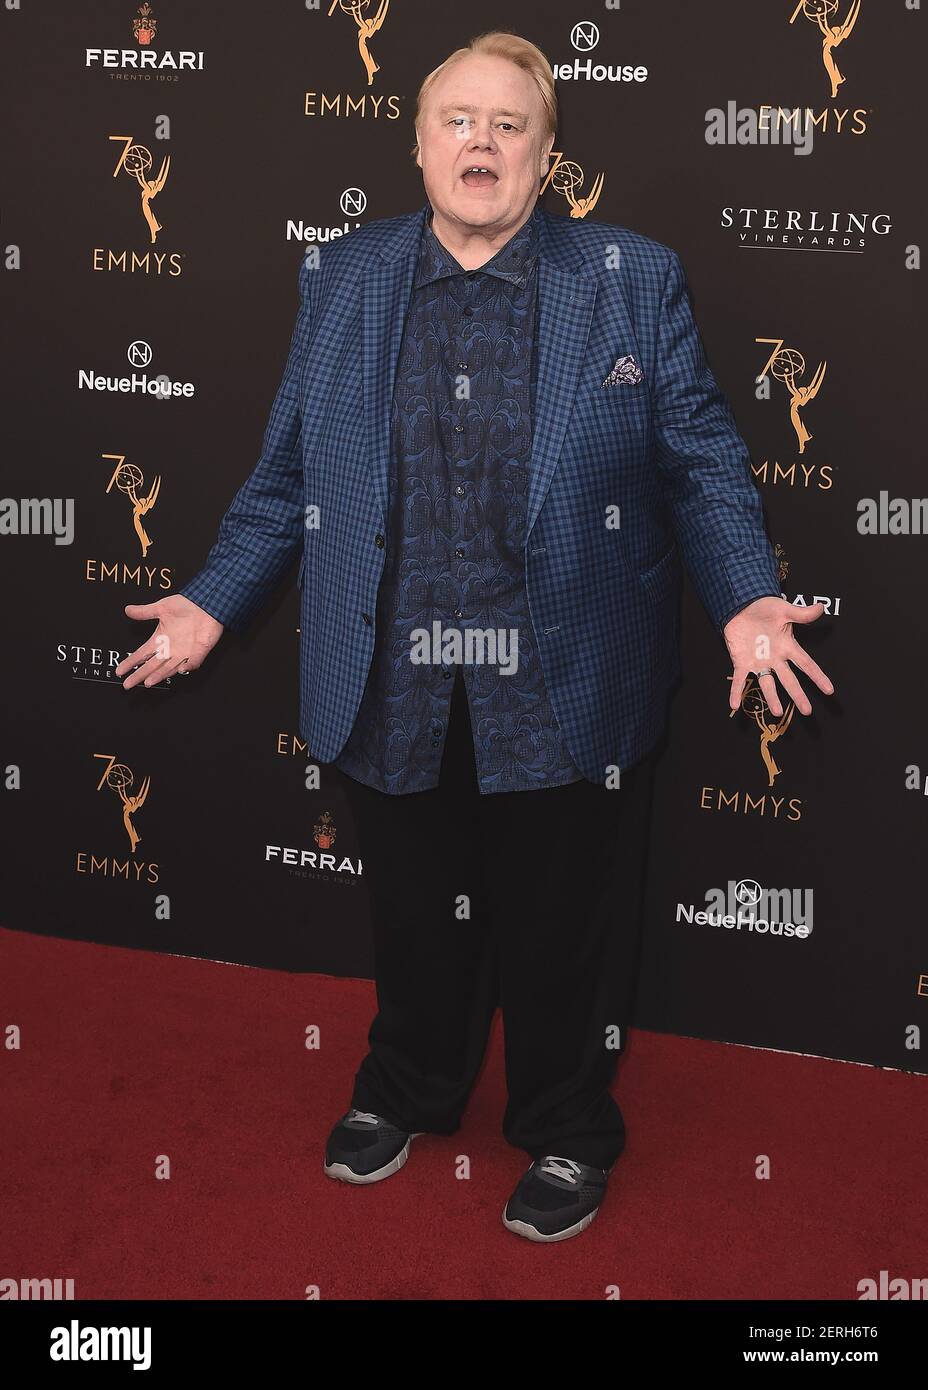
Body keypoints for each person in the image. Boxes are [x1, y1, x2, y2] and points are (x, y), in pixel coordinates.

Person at [116, 31, 833, 1243]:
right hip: (391, 674)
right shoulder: (343, 274)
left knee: (565, 930)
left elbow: (699, 461)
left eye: (509, 125)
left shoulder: (628, 277)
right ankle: (408, 1087)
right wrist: (214, 595)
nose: (480, 144)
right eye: (457, 120)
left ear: (549, 156)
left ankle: (565, 1128)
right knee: (410, 912)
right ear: (417, 141)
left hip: (563, 675)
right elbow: (291, 468)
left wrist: (744, 595)